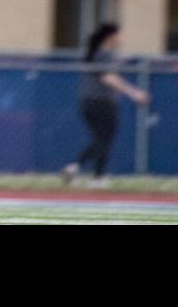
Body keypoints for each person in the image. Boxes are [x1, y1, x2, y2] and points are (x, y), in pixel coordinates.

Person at [63, 24, 151, 186]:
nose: (120, 39)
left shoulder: (99, 54)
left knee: (101, 139)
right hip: (101, 102)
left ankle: (79, 168)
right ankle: (95, 175)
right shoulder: (102, 55)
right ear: (109, 36)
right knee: (105, 138)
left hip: (89, 102)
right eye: (118, 35)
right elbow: (109, 78)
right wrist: (134, 93)